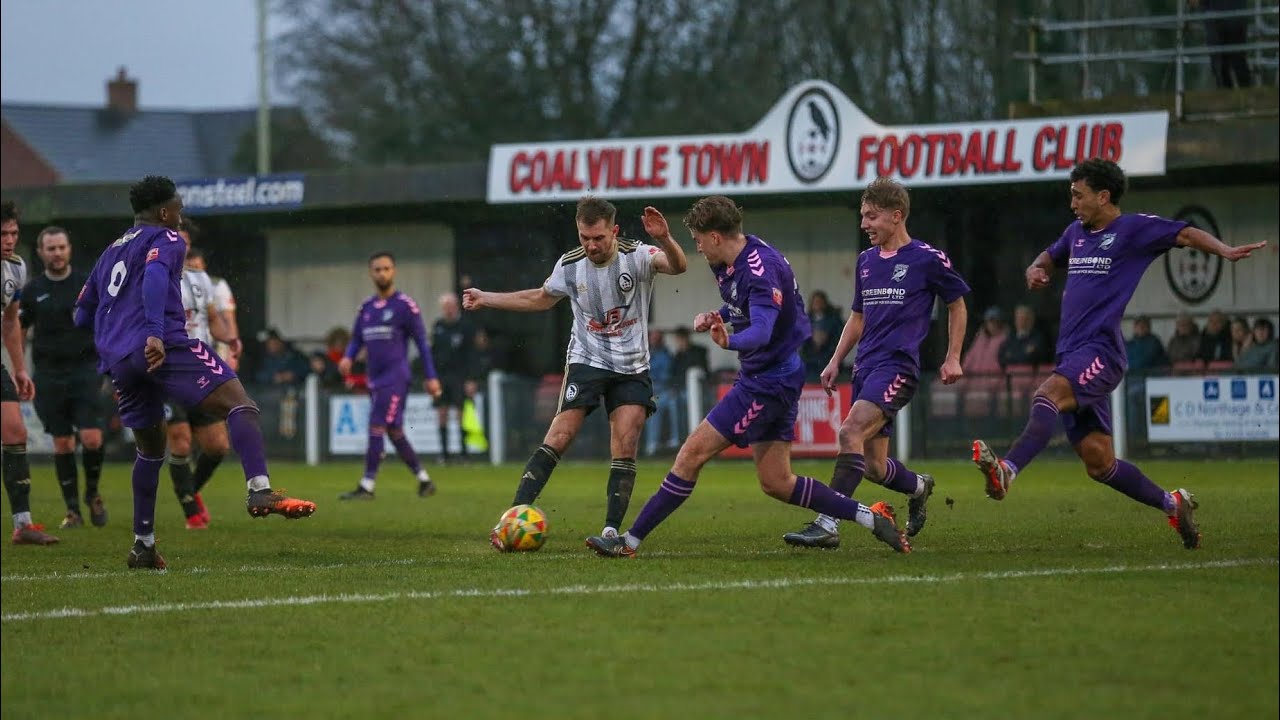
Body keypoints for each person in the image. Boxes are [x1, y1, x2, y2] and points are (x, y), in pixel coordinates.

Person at [585, 195, 911, 558]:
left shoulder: (759, 269)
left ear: (714, 237)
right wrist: (718, 314)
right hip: (775, 373)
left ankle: (628, 541)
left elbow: (762, 330)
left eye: (696, 239)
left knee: (690, 455)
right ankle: (869, 516)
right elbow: (745, 305)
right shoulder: (731, 259)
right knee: (776, 481)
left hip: (768, 380)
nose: (696, 247)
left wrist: (730, 341)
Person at [971, 158, 1265, 550]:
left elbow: (1187, 234)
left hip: (1101, 352)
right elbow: (1048, 256)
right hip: (1072, 353)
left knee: (1046, 396)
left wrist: (1224, 250)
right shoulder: (1076, 232)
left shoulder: (1133, 229)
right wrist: (1034, 268)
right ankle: (1173, 504)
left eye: (1078, 195)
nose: (1072, 203)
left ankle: (1007, 470)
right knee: (1099, 463)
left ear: (1103, 196)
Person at [74, 175, 316, 570]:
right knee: (241, 404)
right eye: (179, 208)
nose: (181, 215)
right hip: (163, 346)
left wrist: (114, 340)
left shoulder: (110, 252)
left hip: (120, 361)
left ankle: (143, 545)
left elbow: (82, 311)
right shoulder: (169, 240)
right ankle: (260, 490)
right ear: (166, 211)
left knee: (150, 452)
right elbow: (154, 279)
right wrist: (153, 335)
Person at [463, 196, 689, 544]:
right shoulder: (570, 265)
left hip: (631, 365)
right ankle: (509, 521)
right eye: (585, 237)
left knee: (625, 442)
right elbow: (540, 297)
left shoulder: (637, 255)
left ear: (613, 231)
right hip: (587, 360)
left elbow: (678, 267)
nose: (591, 245)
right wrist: (486, 297)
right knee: (559, 436)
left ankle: (611, 530)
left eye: (598, 237)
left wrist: (664, 238)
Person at [783, 177, 970, 549]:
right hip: (867, 365)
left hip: (898, 366)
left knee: (849, 432)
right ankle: (919, 486)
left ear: (896, 216)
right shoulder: (866, 262)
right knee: (872, 465)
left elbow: (957, 304)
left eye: (871, 216)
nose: (864, 224)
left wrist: (952, 357)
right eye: (862, 216)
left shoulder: (927, 259)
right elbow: (858, 317)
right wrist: (836, 360)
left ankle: (827, 523)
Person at [19, 226, 110, 529]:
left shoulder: (87, 284)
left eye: (61, 247)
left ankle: (93, 493)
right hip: (49, 374)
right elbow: (19, 328)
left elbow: (105, 323)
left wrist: (110, 362)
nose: (57, 253)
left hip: (85, 370)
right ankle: (72, 510)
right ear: (41, 252)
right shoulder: (32, 290)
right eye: (51, 248)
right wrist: (19, 368)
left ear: (69, 249)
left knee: (91, 438)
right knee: (62, 444)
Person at [337, 251, 442, 500]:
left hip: (395, 378)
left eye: (386, 268)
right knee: (394, 432)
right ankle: (424, 480)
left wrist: (431, 375)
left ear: (393, 271)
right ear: (371, 273)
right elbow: (356, 338)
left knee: (376, 425)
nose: (382, 273)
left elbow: (422, 343)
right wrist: (348, 356)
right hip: (375, 378)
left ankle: (367, 486)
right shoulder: (366, 308)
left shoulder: (405, 306)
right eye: (377, 269)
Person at [165, 234, 242, 530]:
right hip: (169, 372)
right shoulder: (156, 278)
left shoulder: (202, 282)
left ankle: (189, 491)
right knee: (181, 440)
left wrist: (230, 338)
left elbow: (212, 320)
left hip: (200, 370)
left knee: (218, 446)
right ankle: (191, 513)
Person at [2, 200, 58, 545]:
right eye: (2, 234)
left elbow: (10, 323)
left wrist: (20, 369)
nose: (9, 240)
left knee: (15, 432)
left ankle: (22, 525)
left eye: (13, 233)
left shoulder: (16, 268)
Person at [182, 219, 241, 371]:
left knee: (230, 392)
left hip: (203, 355)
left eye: (186, 243)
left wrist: (231, 341)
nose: (182, 247)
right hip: (169, 359)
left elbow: (215, 318)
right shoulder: (151, 276)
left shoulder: (204, 280)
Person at [429, 292, 477, 464]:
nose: (448, 310)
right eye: (445, 307)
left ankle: (464, 453)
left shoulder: (465, 326)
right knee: (441, 412)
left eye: (451, 306)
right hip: (442, 376)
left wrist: (471, 378)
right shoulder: (438, 326)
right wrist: (431, 377)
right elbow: (432, 353)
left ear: (456, 306)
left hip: (460, 376)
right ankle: (444, 454)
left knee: (460, 414)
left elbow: (472, 354)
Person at [1193, 0, 1253, 89]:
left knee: (1236, 62)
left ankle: (1244, 94)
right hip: (1219, 19)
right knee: (1221, 65)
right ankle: (1231, 94)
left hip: (1232, 18)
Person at [669, 325, 709, 444]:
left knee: (685, 400)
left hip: (698, 390)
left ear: (686, 338)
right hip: (680, 390)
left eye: (680, 339)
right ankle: (678, 439)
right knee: (672, 402)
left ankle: (693, 437)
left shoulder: (699, 351)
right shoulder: (677, 356)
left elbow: (703, 371)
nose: (678, 342)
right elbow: (674, 375)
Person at [644, 329, 676, 456]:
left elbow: (669, 375)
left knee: (672, 404)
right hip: (651, 393)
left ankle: (675, 440)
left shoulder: (667, 355)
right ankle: (651, 445)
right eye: (653, 338)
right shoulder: (645, 354)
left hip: (665, 391)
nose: (655, 340)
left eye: (657, 338)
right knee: (653, 407)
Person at [962, 306, 1009, 377]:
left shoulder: (1005, 339)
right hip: (973, 380)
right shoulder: (979, 340)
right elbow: (969, 358)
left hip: (994, 380)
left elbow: (1004, 365)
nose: (992, 325)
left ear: (1000, 323)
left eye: (995, 322)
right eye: (990, 322)